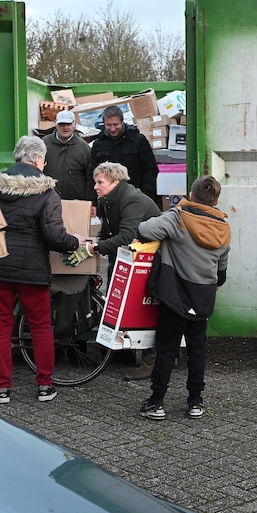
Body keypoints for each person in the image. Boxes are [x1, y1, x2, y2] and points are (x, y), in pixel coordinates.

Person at [0, 136, 83, 404]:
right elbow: (55, 236)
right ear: (37, 160)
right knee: (40, 327)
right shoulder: (47, 193)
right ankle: (45, 386)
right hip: (31, 272)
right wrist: (76, 242)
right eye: (44, 160)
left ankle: (2, 389)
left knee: (0, 326)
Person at [136, 175, 230, 421]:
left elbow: (144, 230)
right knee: (197, 350)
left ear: (191, 195)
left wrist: (177, 211)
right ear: (217, 200)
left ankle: (157, 402)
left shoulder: (178, 218)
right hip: (203, 297)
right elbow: (222, 271)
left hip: (175, 296)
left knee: (167, 349)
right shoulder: (223, 227)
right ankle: (195, 402)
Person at [87, 161, 162, 380]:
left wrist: (97, 247)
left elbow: (126, 236)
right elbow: (109, 233)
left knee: (142, 308)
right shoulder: (106, 201)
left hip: (147, 260)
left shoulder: (131, 199)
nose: (96, 187)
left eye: (100, 182)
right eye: (95, 182)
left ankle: (150, 359)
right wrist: (91, 241)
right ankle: (121, 347)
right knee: (115, 300)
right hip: (126, 257)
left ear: (115, 182)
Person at [88, 105, 158, 203]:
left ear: (122, 122)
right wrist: (93, 201)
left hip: (135, 197)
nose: (112, 129)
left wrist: (146, 195)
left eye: (116, 124)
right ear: (103, 124)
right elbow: (91, 175)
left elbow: (151, 170)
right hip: (107, 199)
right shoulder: (98, 144)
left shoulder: (138, 140)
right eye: (108, 125)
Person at [42, 109, 93, 201]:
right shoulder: (44, 144)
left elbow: (90, 176)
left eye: (68, 124)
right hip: (48, 200)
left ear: (75, 125)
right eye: (62, 124)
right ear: (56, 124)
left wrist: (91, 200)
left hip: (76, 201)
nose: (65, 127)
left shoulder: (83, 147)